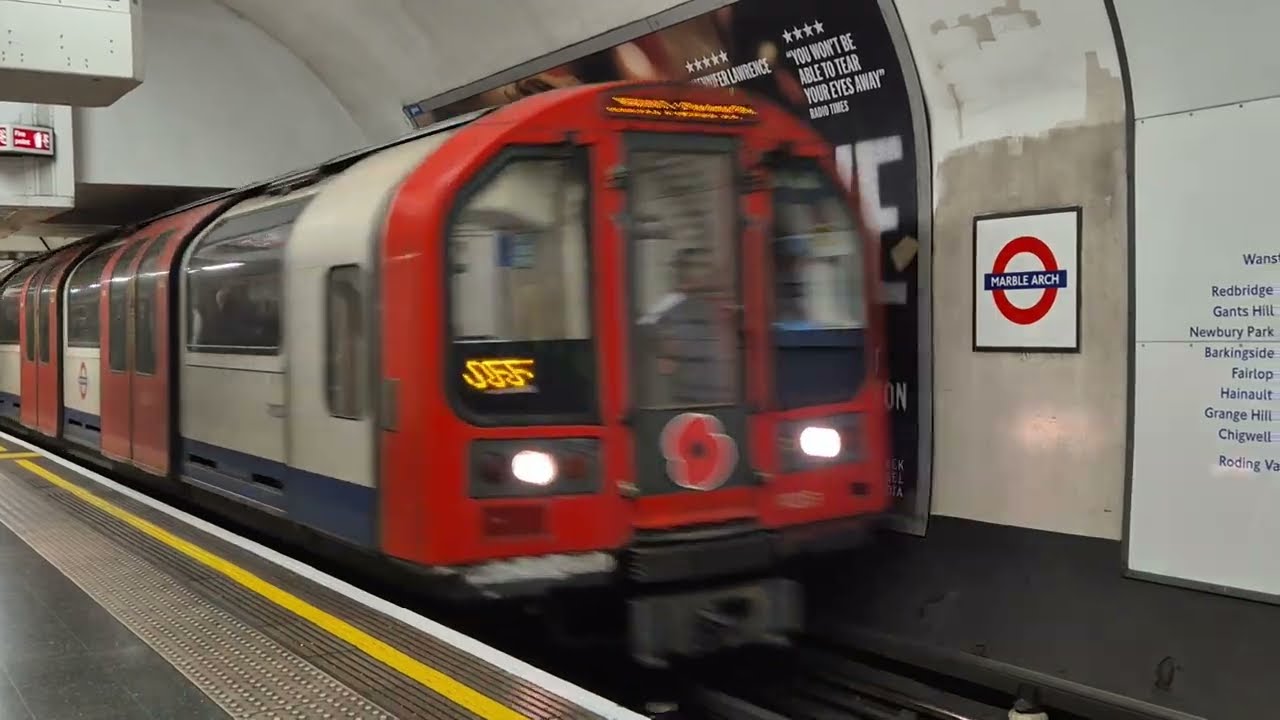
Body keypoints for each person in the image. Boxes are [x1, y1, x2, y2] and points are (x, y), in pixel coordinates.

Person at [638, 247, 736, 406]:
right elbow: (646, 326)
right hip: (687, 398)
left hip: (722, 398)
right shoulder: (672, 304)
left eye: (705, 267)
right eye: (696, 267)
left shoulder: (719, 305)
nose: (705, 274)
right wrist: (664, 351)